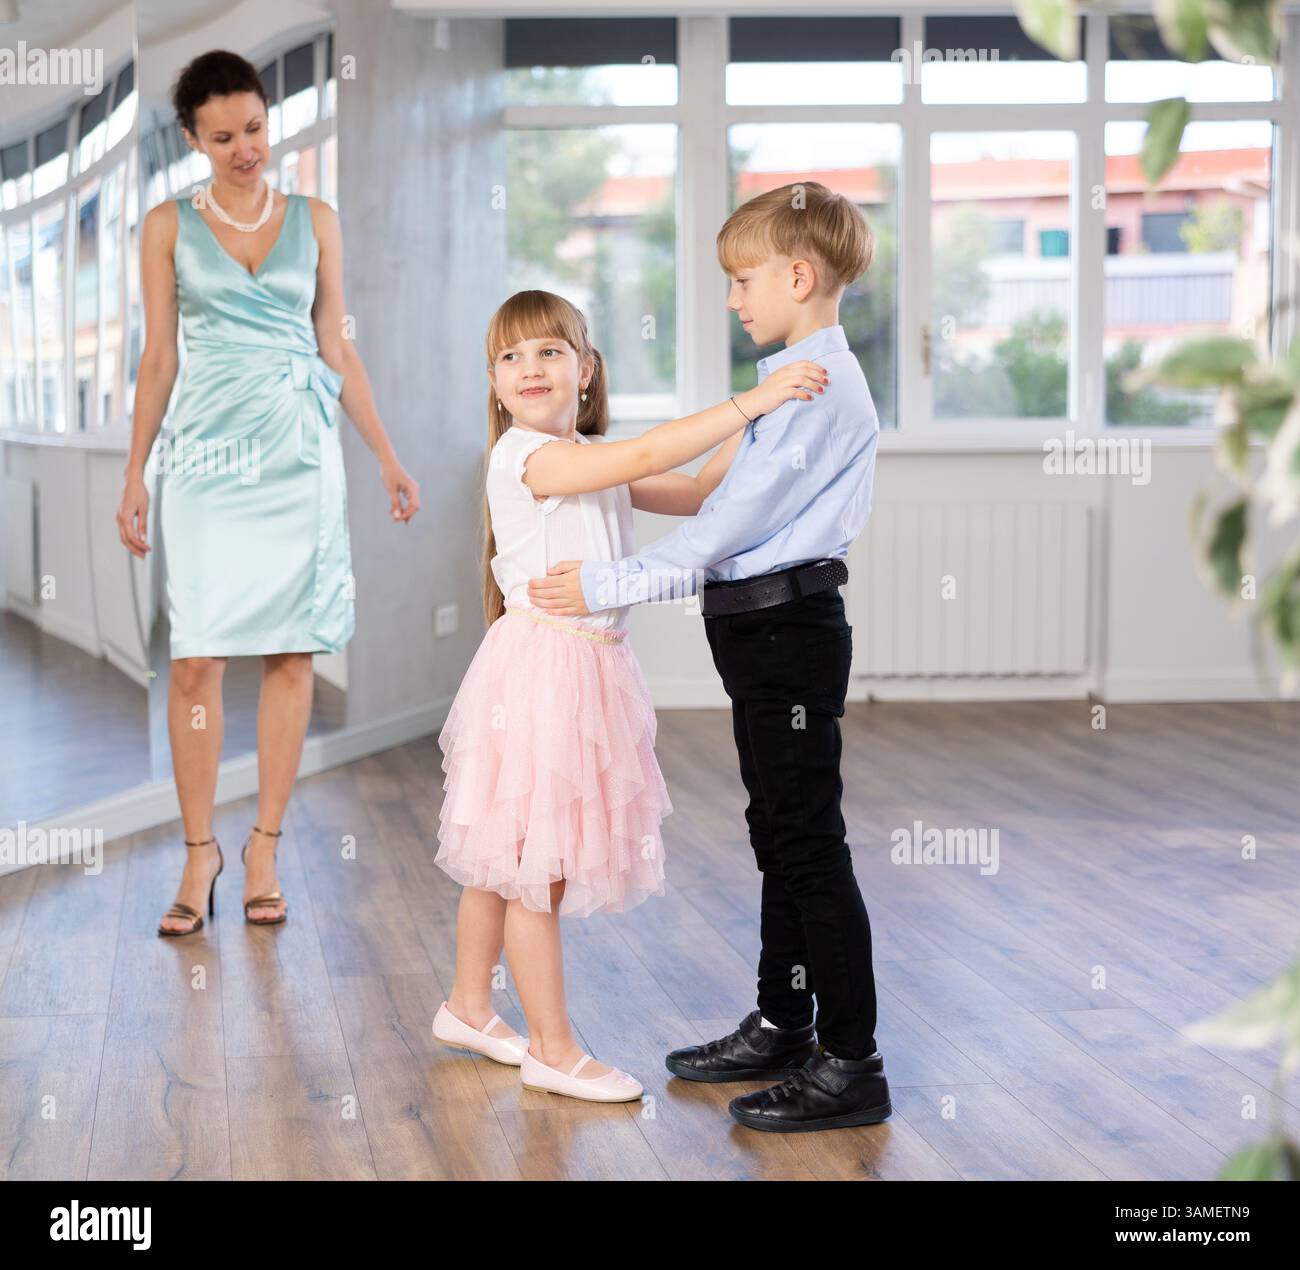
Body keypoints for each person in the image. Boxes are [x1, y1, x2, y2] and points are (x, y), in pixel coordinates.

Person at [527, 181, 891, 1132]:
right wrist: (596, 474)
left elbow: (729, 524)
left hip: (788, 633)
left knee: (807, 841)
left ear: (800, 275)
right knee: (778, 830)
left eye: (743, 280)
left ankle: (851, 1062)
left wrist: (604, 585)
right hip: (755, 630)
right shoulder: (788, 385)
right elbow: (699, 491)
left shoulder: (814, 388)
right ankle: (784, 1018)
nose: (735, 300)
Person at [430, 289, 828, 1103]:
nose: (530, 368)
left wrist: (759, 428)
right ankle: (551, 1046)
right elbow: (646, 460)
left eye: (549, 350)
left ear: (586, 369)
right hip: (541, 670)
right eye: (511, 357)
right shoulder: (524, 458)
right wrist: (749, 399)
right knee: (532, 868)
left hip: (586, 666)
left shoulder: (589, 452)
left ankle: (470, 1008)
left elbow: (690, 490)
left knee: (503, 858)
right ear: (495, 385)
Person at [115, 50, 419, 937]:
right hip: (205, 459)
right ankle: (199, 850)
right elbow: (160, 358)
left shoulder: (317, 219)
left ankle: (264, 846)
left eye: (254, 127)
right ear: (192, 138)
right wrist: (135, 469)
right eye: (223, 136)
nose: (245, 148)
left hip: (297, 451)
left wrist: (387, 458)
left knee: (292, 653)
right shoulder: (165, 226)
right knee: (197, 659)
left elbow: (337, 347)